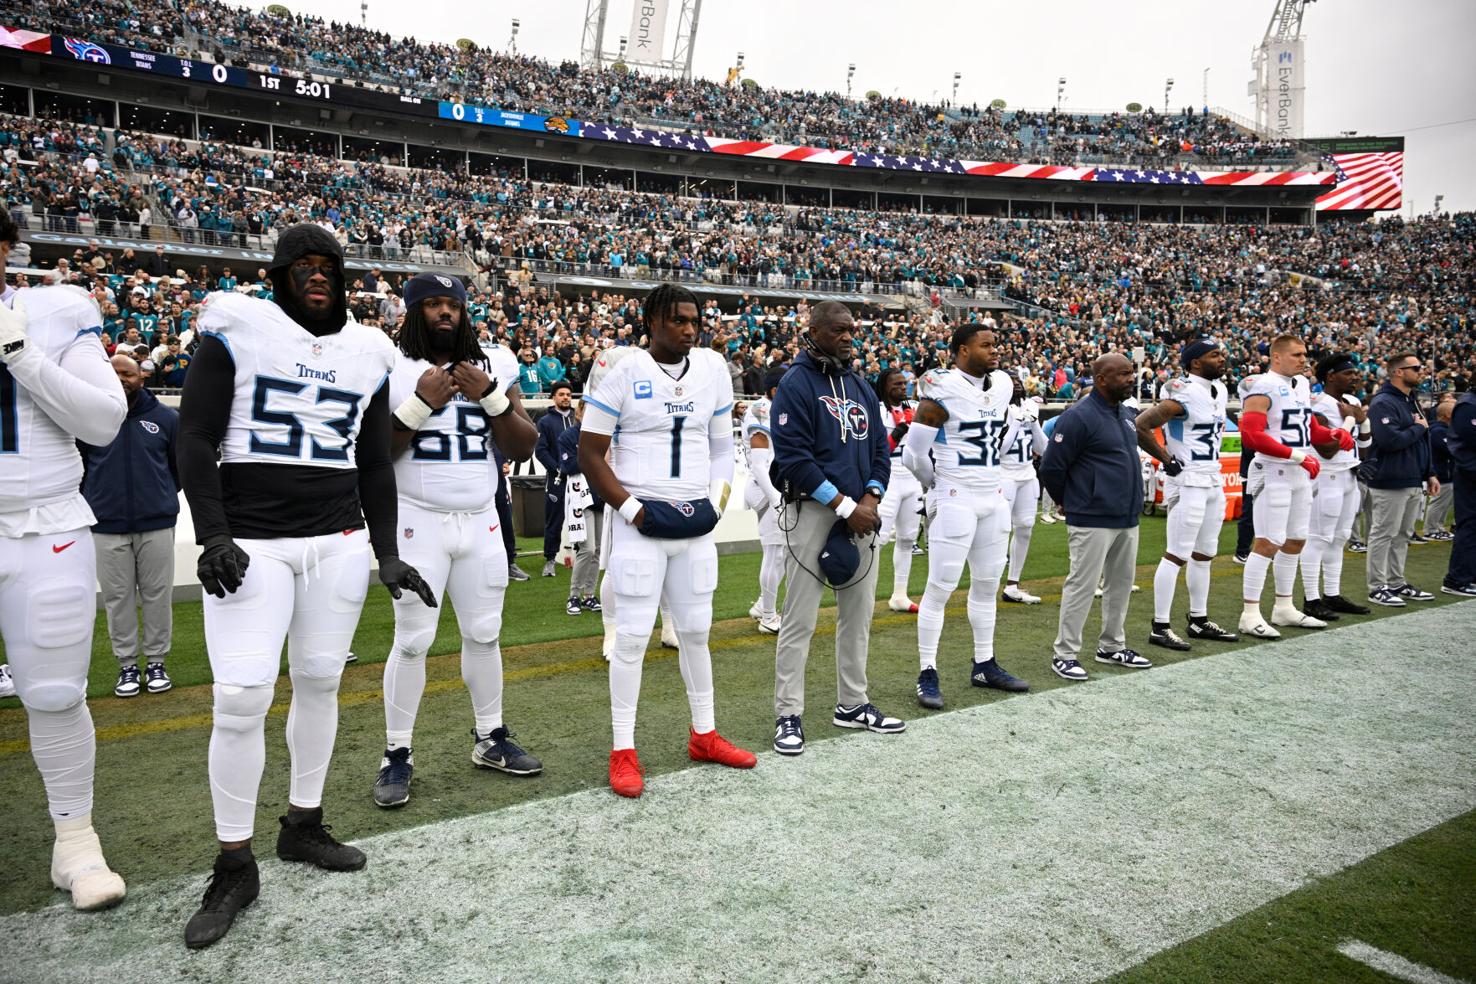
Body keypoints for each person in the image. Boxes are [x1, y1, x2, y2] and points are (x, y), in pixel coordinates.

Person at [176, 224, 435, 949]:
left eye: (329, 267)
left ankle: (303, 823)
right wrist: (213, 533)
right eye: (304, 266)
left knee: (320, 681)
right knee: (241, 695)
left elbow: (375, 464)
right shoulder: (237, 328)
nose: (317, 276)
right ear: (279, 273)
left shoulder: (367, 350)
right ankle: (233, 861)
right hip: (254, 540)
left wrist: (386, 554)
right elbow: (194, 437)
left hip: (339, 540)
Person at [0, 210, 130, 911]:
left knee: (53, 692)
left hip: (40, 520)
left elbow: (104, 421)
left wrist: (20, 353)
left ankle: (75, 844)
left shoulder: (48, 312)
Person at [579, 283, 755, 797]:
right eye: (677, 319)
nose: (688, 328)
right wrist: (633, 510)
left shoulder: (712, 368)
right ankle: (623, 750)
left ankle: (704, 735)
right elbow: (591, 453)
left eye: (694, 320)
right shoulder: (619, 366)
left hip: (694, 522)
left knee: (697, 632)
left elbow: (724, 447)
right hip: (642, 520)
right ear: (651, 321)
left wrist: (716, 504)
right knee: (631, 639)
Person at [374, 272, 542, 811]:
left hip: (481, 520)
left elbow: (522, 441)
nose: (445, 313)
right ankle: (396, 753)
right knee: (413, 640)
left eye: (453, 304)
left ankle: (490, 737)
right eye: (433, 304)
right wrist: (420, 406)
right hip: (417, 519)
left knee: (485, 632)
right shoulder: (389, 363)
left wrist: (492, 397)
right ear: (412, 311)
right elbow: (375, 451)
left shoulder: (494, 362)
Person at [769, 300, 905, 756]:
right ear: (814, 331)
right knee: (799, 619)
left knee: (859, 616)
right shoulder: (795, 383)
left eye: (853, 329)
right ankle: (788, 713)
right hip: (812, 511)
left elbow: (881, 453)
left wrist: (870, 497)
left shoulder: (862, 386)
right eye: (839, 330)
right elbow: (793, 459)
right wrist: (847, 505)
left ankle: (852, 703)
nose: (849, 336)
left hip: (861, 514)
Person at [901, 324, 1030, 709]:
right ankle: (927, 671)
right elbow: (913, 455)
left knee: (988, 585)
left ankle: (984, 663)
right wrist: (939, 484)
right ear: (961, 351)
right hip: (955, 495)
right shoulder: (941, 388)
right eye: (985, 345)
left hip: (993, 494)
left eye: (996, 343)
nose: (994, 351)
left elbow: (997, 438)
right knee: (940, 588)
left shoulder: (1003, 385)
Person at [1038, 353, 1151, 682]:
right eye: (1123, 375)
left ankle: (1112, 645)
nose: (1131, 379)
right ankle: (1065, 653)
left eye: (1132, 373)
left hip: (1127, 515)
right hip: (1091, 516)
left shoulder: (1126, 414)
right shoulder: (1079, 416)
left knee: (1121, 585)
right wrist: (1069, 501)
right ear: (1101, 379)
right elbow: (1051, 468)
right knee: (1082, 586)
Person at [1236, 336, 1354, 637]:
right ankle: (1249, 614)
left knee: (1296, 539)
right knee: (1267, 542)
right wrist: (1298, 455)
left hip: (1297, 470)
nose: (1303, 359)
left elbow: (1307, 427)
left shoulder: (1301, 385)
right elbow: (1251, 435)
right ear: (1276, 357)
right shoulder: (1260, 386)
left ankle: (1284, 607)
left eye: (1305, 354)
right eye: (1296, 354)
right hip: (1273, 469)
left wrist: (1335, 435)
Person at [79, 354, 181, 698]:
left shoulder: (166, 418)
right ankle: (126, 666)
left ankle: (155, 662)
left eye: (128, 373)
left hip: (156, 523)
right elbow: (79, 470)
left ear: (142, 377)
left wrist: (159, 498)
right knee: (117, 599)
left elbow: (176, 470)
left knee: (157, 596)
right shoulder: (89, 420)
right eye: (114, 373)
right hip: (106, 526)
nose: (122, 378)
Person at [1133, 340, 1241, 651]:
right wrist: (1167, 460)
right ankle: (1160, 626)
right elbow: (1141, 424)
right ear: (1195, 363)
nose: (1222, 359)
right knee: (1177, 552)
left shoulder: (1218, 390)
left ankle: (1198, 619)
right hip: (1189, 479)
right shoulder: (1182, 390)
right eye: (1214, 355)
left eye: (1221, 353)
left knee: (1205, 553)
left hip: (1212, 477)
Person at [1298, 354, 1373, 620]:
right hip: (1326, 476)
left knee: (1340, 537)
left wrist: (1362, 420)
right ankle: (1311, 598)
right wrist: (1354, 420)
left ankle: (1331, 593)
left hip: (1349, 476)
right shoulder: (1318, 404)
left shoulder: (1352, 402)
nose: (1355, 376)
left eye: (1356, 372)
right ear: (1331, 376)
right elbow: (1328, 450)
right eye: (1349, 373)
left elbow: (1364, 448)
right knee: (1318, 538)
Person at [1362, 352, 1439, 607]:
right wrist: (1418, 427)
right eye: (1416, 368)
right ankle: (1377, 586)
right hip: (1390, 477)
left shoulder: (1410, 399)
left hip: (1412, 476)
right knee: (1383, 533)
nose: (1421, 372)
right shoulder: (1384, 402)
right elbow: (1390, 440)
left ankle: (1396, 581)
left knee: (1404, 533)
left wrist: (1429, 472)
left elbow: (1422, 441)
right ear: (1398, 371)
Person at [741, 368, 788, 634]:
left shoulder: (774, 408)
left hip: (771, 487)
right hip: (766, 488)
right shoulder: (761, 410)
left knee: (779, 553)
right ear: (774, 390)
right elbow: (760, 465)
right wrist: (776, 499)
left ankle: (762, 605)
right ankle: (768, 617)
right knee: (775, 552)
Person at [875, 367, 924, 614]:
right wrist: (900, 430)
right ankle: (861, 595)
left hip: (911, 477)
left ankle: (900, 594)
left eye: (904, 384)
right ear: (885, 387)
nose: (902, 389)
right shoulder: (876, 410)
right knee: (878, 539)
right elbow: (878, 449)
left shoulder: (912, 409)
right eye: (896, 385)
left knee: (907, 538)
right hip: (888, 476)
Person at [1000, 377, 1047, 605]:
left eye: (1018, 380)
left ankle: (1012, 585)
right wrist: (1016, 423)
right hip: (1003, 474)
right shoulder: (996, 407)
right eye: (1010, 381)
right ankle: (987, 584)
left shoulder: (1029, 406)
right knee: (999, 530)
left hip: (1027, 474)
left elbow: (1043, 448)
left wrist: (1034, 422)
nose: (1016, 384)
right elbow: (998, 450)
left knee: (1026, 527)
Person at [557, 400, 604, 615]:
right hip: (579, 497)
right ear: (579, 413)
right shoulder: (568, 437)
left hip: (601, 495)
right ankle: (573, 596)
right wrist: (594, 459)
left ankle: (589, 595)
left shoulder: (603, 435)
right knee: (586, 548)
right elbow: (567, 466)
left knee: (597, 550)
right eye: (589, 411)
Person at [535, 381, 574, 577]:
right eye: (561, 394)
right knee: (555, 519)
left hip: (581, 478)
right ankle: (550, 560)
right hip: (557, 480)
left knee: (584, 517)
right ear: (554, 397)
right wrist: (557, 468)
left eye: (568, 394)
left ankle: (581, 556)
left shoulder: (579, 419)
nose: (566, 397)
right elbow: (540, 451)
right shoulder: (545, 422)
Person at [1441, 389, 1476, 597]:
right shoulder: (1468, 405)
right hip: (1470, 474)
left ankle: (1470, 575)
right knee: (1469, 525)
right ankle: (1457, 579)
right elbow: (1471, 440)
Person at [1424, 395, 1456, 541]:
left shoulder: (1446, 429)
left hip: (1447, 471)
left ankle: (1439, 527)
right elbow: (1449, 448)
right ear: (1447, 414)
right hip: (1440, 472)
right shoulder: (1438, 430)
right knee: (1438, 503)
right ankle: (1430, 529)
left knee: (1445, 503)